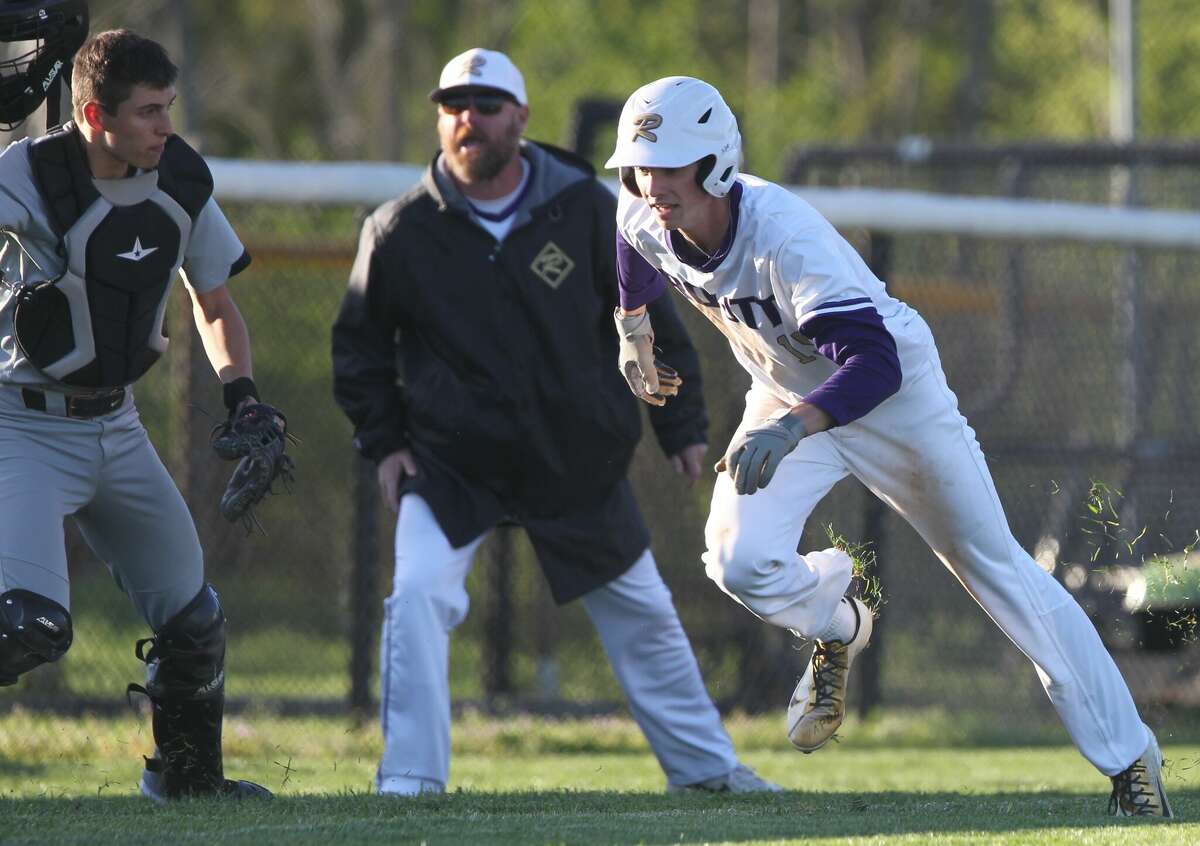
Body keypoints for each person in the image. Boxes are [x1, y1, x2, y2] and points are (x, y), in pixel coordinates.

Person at [604, 75, 1172, 818]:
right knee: (738, 561)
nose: (650, 183)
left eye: (669, 164)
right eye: (640, 166)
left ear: (715, 163)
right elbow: (630, 243)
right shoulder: (648, 211)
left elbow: (875, 363)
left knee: (996, 571)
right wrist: (633, 325)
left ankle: (1130, 757)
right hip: (785, 392)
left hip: (892, 401)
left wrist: (792, 425)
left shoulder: (786, 238)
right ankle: (841, 623)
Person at [332, 48, 778, 797]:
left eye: (485, 104)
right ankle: (409, 779)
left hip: (574, 461)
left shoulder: (591, 207)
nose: (467, 120)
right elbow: (360, 350)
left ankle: (707, 773)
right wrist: (384, 445)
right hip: (450, 465)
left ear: (522, 118)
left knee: (644, 618)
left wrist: (682, 425)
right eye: (453, 106)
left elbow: (653, 323)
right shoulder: (398, 229)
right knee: (415, 597)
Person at [0, 25, 272, 801]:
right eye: (149, 112)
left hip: (115, 427)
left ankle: (186, 782)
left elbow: (215, 303)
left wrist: (243, 395)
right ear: (93, 118)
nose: (165, 126)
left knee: (194, 623)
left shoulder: (179, 177)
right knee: (26, 626)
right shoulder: (27, 173)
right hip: (21, 424)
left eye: (169, 107)